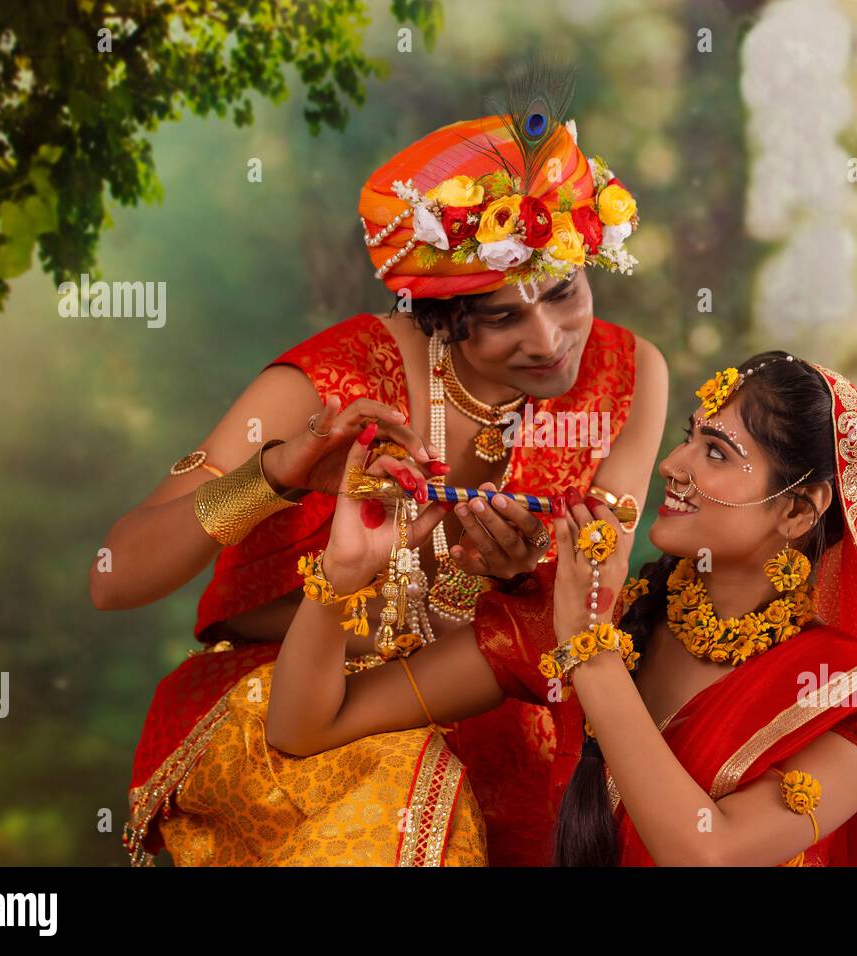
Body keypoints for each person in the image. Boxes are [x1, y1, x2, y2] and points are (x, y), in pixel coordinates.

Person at [97, 93, 668, 864]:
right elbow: (116, 577)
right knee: (400, 794)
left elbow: (588, 604)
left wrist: (524, 580)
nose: (550, 339)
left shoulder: (625, 378)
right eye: (502, 318)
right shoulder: (338, 376)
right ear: (440, 316)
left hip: (485, 700)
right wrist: (275, 476)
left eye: (565, 293)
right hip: (281, 704)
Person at [267, 351, 857, 866]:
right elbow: (306, 726)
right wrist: (344, 573)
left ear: (797, 510)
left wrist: (590, 654)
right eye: (686, 439)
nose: (673, 466)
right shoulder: (592, 616)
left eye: (717, 452)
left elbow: (710, 852)